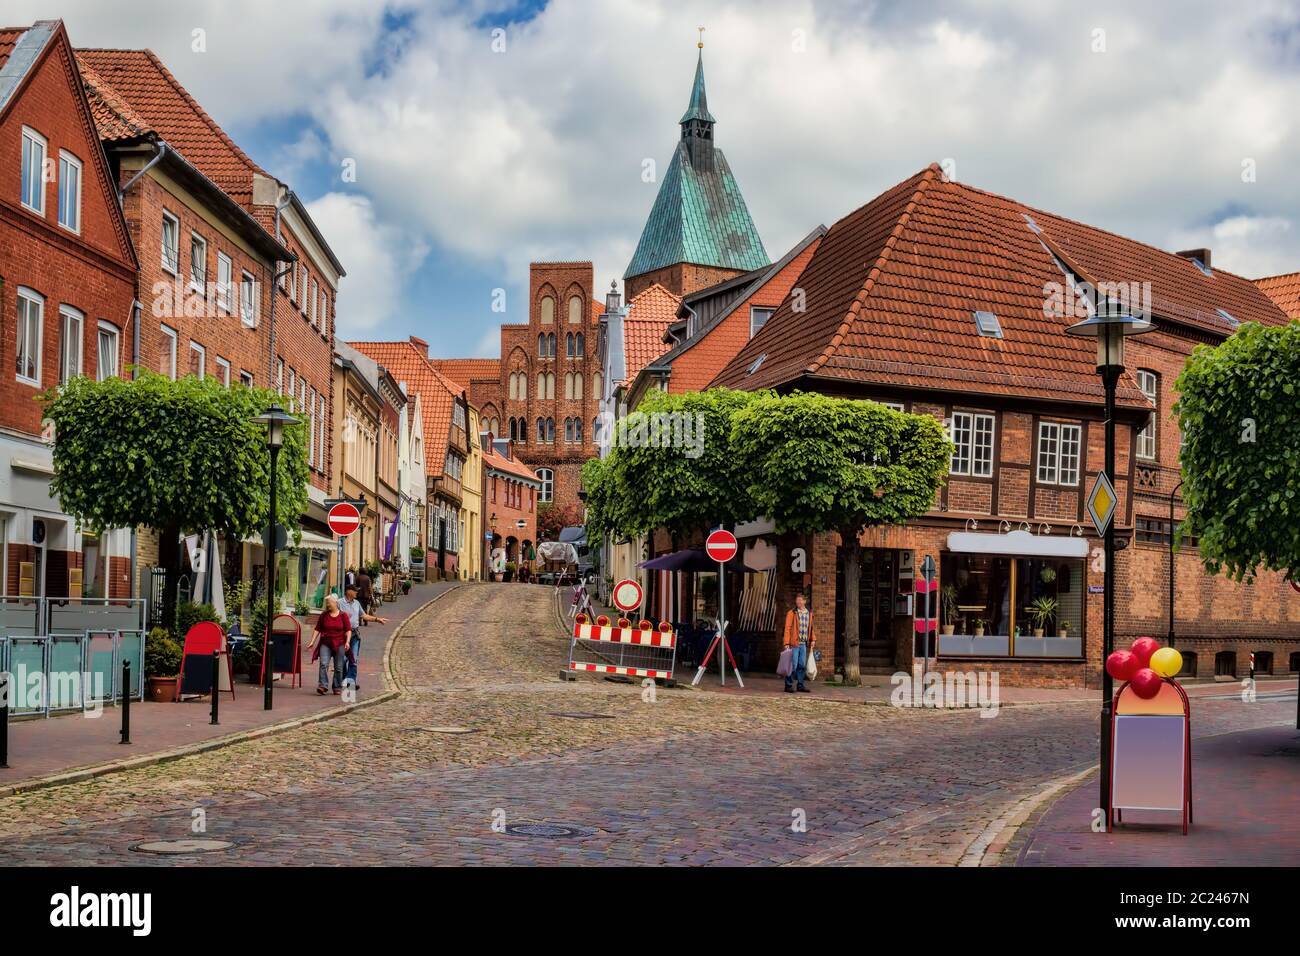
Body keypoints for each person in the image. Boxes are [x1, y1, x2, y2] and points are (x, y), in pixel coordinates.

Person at [339, 583, 387, 690]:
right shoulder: (339, 603)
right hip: (342, 635)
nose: (357, 592)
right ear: (348, 591)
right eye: (355, 591)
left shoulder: (357, 603)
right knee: (342, 660)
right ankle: (344, 679)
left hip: (355, 634)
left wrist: (377, 619)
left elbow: (363, 615)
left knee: (353, 659)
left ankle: (351, 682)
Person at [307, 593, 352, 695]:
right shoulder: (324, 615)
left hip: (339, 643)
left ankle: (337, 687)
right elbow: (317, 629)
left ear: (336, 603)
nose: (328, 604)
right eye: (327, 602)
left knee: (339, 667)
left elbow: (348, 630)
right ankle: (323, 686)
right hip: (326, 643)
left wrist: (348, 642)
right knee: (323, 664)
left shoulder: (343, 615)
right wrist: (312, 642)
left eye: (329, 602)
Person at [782, 592, 817, 693]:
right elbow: (787, 629)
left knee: (802, 665)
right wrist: (786, 643)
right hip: (793, 644)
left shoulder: (809, 613)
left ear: (804, 601)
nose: (798, 602)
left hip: (803, 644)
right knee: (793, 665)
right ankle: (788, 685)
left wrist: (813, 639)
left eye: (800, 600)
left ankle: (800, 685)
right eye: (797, 600)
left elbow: (811, 628)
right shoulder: (792, 613)